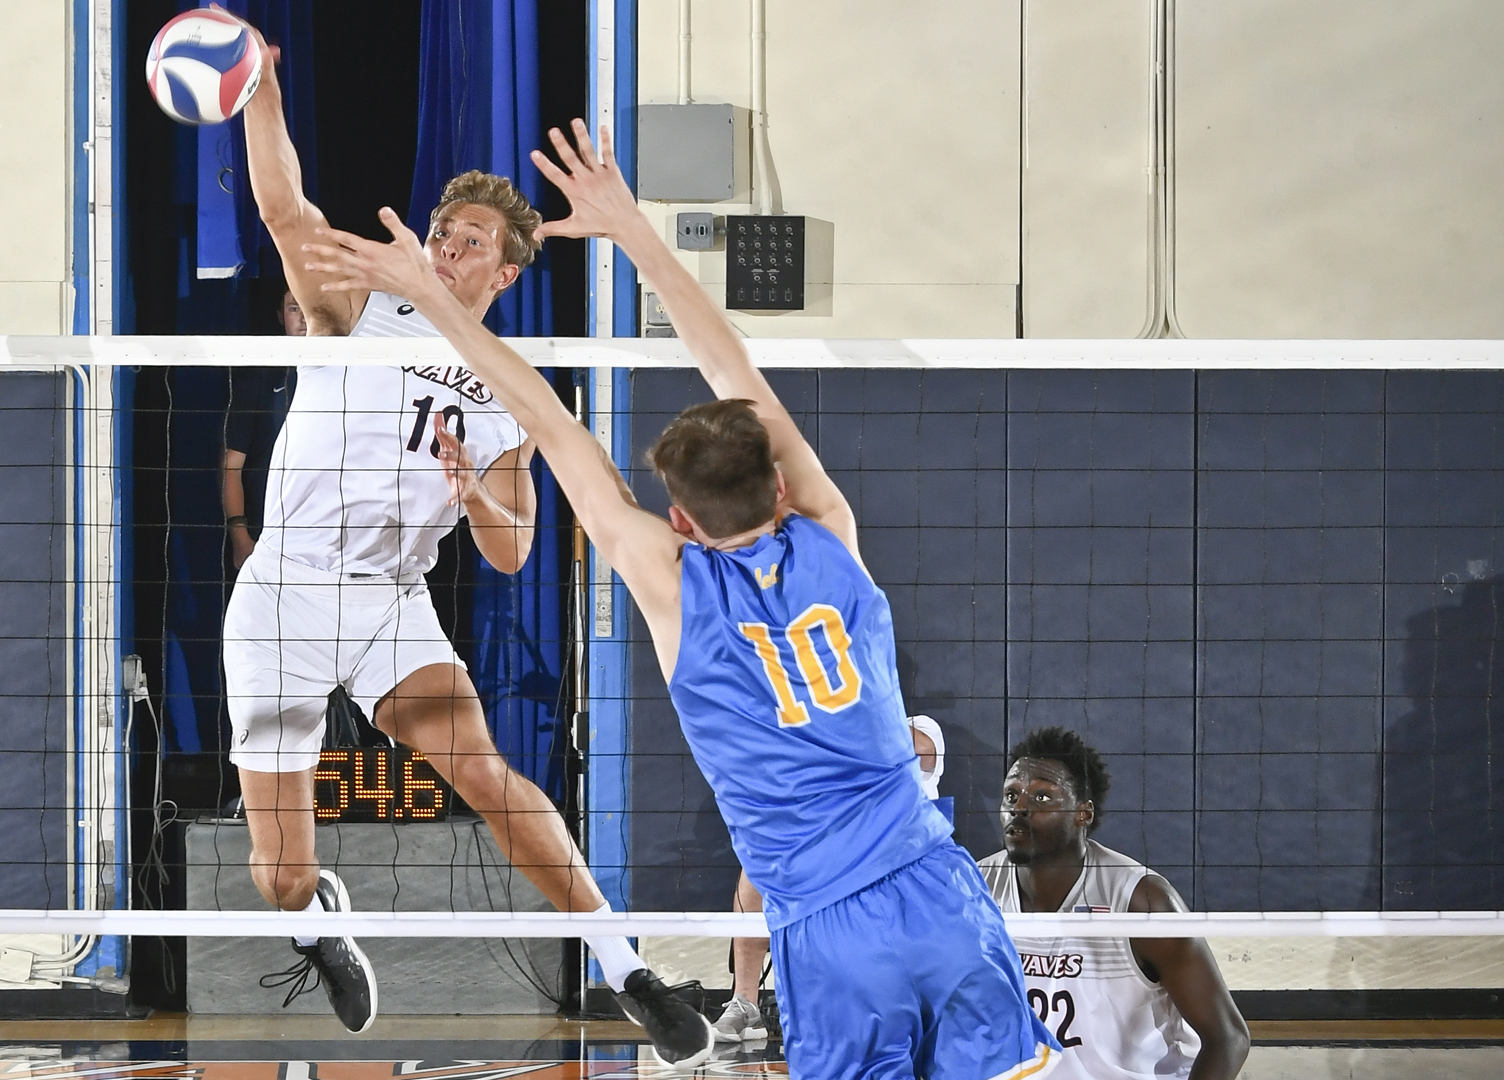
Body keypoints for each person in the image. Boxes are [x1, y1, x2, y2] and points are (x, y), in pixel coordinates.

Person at [299, 118, 1057, 1078]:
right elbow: (732, 368)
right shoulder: (831, 536)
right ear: (780, 486)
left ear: (683, 522)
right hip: (939, 889)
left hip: (825, 928)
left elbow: (534, 405)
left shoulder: (672, 587)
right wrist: (633, 229)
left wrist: (428, 298)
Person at [222, 24, 708, 1059]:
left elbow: (510, 551)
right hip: (283, 595)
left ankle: (629, 970)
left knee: (486, 775)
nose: (445, 245)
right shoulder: (360, 307)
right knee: (277, 871)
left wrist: (472, 492)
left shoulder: (508, 384)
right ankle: (316, 921)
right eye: (442, 228)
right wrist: (259, 88)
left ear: (507, 269)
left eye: (469, 239)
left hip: (394, 600)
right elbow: (282, 208)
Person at [978, 728, 1250, 1080]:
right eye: (1011, 795)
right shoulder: (974, 888)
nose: (1019, 808)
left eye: (1042, 798)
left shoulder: (1143, 900)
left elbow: (1228, 1037)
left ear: (1083, 813)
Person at [714, 715, 948, 1044]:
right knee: (758, 864)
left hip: (902, 859)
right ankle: (746, 1003)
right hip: (832, 849)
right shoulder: (809, 732)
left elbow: (924, 752)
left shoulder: (915, 724)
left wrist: (847, 723)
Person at [220, 290, 304, 571]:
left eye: (309, 306)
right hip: (265, 533)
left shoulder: (346, 374)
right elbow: (231, 467)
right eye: (294, 308)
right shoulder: (259, 378)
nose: (303, 318)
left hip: (323, 535)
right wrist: (241, 537)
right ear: (281, 315)